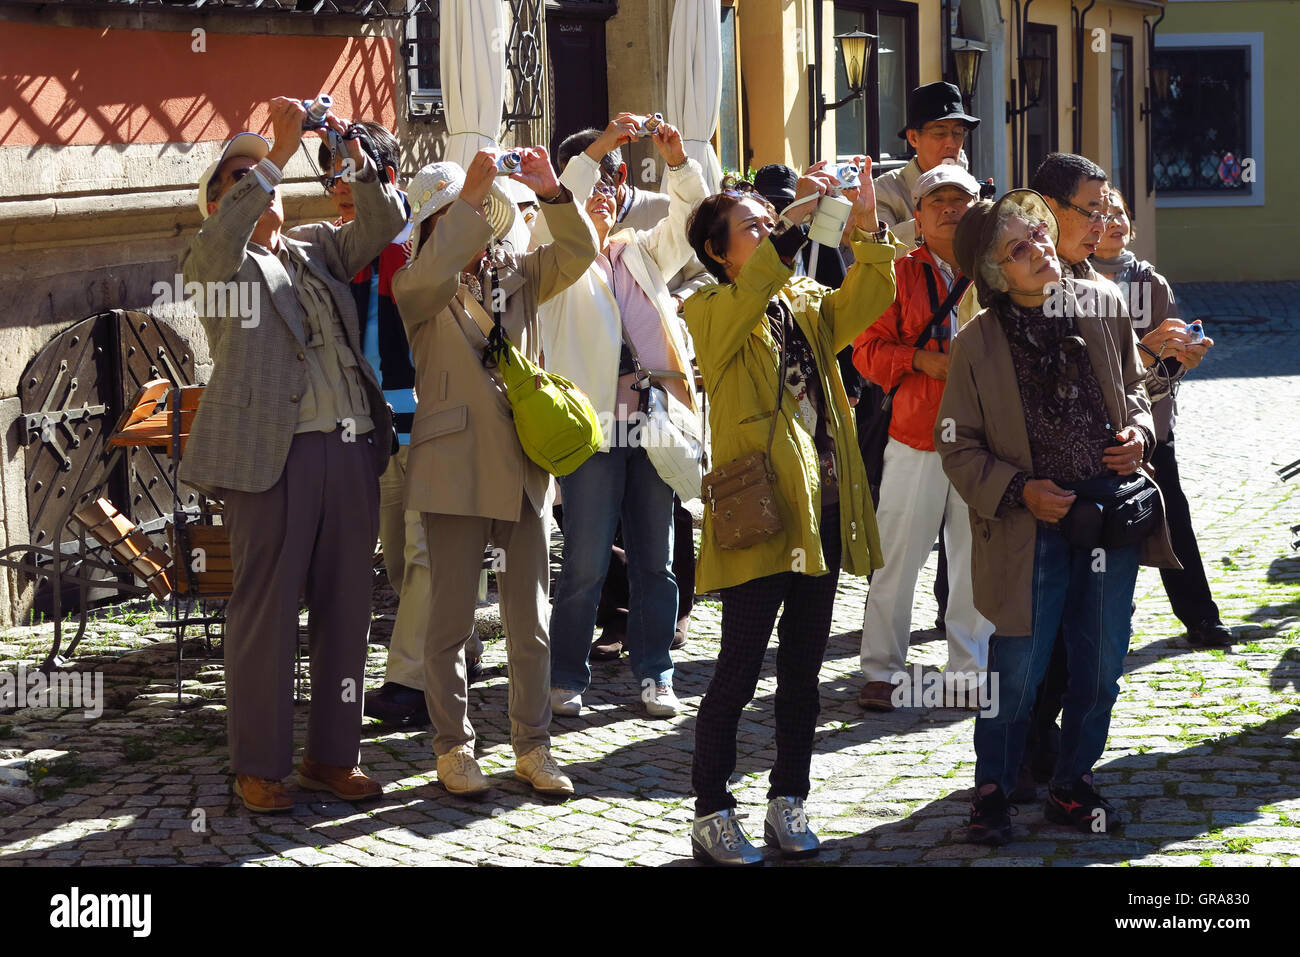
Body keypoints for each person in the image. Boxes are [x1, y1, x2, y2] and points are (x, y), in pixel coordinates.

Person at [181, 99, 407, 812]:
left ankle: (333, 756)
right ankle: (259, 763)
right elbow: (219, 242)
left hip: (347, 451)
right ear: (221, 203)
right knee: (266, 613)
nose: (265, 185)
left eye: (268, 177)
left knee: (346, 612)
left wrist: (347, 155)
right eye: (245, 180)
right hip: (272, 461)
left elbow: (385, 222)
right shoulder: (215, 263)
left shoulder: (314, 248)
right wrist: (273, 149)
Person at [937, 189, 1178, 844]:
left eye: (1040, 236)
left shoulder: (1101, 303)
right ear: (994, 272)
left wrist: (1139, 435)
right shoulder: (976, 344)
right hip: (1028, 529)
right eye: (1021, 247)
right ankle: (993, 786)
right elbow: (956, 446)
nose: (1041, 249)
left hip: (1108, 516)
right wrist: (1020, 490)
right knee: (1018, 669)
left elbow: (1134, 389)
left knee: (1100, 664)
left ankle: (1073, 781)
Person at [683, 161, 899, 864]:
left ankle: (789, 798)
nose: (769, 228)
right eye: (752, 225)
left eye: (768, 221)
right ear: (719, 251)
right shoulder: (708, 309)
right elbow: (752, 292)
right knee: (738, 669)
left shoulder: (802, 298)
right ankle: (711, 808)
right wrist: (797, 229)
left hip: (823, 509)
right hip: (763, 511)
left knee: (803, 672)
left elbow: (870, 297)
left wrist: (865, 224)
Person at [392, 148, 597, 798]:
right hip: (452, 468)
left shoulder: (516, 272)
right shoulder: (417, 286)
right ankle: (452, 747)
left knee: (528, 619)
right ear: (437, 224)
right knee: (450, 622)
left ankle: (532, 746)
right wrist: (468, 204)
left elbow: (580, 253)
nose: (479, 222)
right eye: (460, 212)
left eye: (483, 208)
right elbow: (426, 279)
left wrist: (554, 191)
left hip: (524, 464)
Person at [312, 122, 487, 727]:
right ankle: (454, 644)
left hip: (426, 422)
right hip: (366, 429)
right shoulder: (337, 251)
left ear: (382, 176)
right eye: (330, 174)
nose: (337, 185)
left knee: (421, 555)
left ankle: (407, 683)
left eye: (349, 171)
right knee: (399, 561)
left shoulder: (415, 246)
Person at [541, 114, 707, 719]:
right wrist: (603, 143)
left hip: (651, 425)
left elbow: (693, 221)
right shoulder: (554, 259)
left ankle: (656, 672)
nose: (605, 190)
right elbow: (553, 210)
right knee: (584, 561)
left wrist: (678, 160)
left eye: (613, 180)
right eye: (593, 182)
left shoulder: (640, 254)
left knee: (655, 559)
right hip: (591, 430)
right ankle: (564, 676)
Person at [853, 163, 990, 712]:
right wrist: (923, 361)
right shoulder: (896, 272)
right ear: (917, 213)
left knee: (975, 558)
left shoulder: (1003, 270)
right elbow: (865, 351)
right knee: (898, 557)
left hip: (987, 440)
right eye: (940, 201)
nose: (952, 210)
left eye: (963, 200)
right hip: (917, 435)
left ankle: (968, 668)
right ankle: (882, 669)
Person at [1092, 187, 1230, 647]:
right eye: (1101, 212)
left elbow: (1167, 366)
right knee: (1103, 527)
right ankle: (1107, 623)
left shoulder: (1149, 280)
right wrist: (1147, 350)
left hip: (1150, 424)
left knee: (1173, 518)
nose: (1112, 221)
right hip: (1094, 428)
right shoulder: (1073, 279)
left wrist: (1182, 356)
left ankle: (1200, 618)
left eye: (1120, 213)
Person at [874, 81, 981, 250]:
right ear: (913, 138)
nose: (951, 143)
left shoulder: (971, 186)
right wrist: (925, 225)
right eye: (940, 133)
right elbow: (880, 252)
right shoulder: (885, 190)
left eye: (958, 133)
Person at [1029, 153, 1109, 281]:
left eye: (1105, 217)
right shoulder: (1015, 284)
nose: (1101, 229)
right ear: (1046, 209)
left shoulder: (1103, 290)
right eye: (1093, 215)